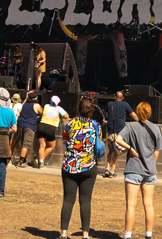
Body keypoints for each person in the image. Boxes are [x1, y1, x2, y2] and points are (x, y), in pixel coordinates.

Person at [113, 101, 162, 239]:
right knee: (148, 204)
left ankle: (127, 235)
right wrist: (151, 165)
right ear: (149, 113)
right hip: (150, 172)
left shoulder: (131, 126)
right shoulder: (155, 128)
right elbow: (157, 152)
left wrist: (130, 148)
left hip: (134, 169)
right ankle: (148, 234)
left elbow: (118, 139)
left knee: (131, 204)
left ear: (137, 111)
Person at [60, 97, 103, 239]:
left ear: (78, 108)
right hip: (89, 167)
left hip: (70, 166)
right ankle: (85, 235)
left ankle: (63, 233)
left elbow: (65, 139)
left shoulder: (69, 123)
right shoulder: (96, 125)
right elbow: (98, 143)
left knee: (68, 200)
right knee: (85, 200)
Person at [104, 91, 135, 178]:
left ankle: (107, 168)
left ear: (115, 97)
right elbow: (133, 115)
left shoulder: (110, 104)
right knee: (117, 151)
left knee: (110, 150)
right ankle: (112, 170)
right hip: (120, 132)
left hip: (110, 130)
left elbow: (107, 114)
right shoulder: (125, 105)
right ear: (122, 98)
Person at [37, 95, 68, 167]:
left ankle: (40, 161)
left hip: (41, 126)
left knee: (42, 146)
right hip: (50, 127)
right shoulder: (58, 108)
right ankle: (41, 159)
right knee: (51, 146)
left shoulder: (46, 106)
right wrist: (59, 116)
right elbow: (67, 116)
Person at [13, 91, 41, 167]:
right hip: (30, 126)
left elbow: (21, 112)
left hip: (21, 125)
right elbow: (41, 113)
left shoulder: (24, 105)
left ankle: (24, 159)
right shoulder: (36, 105)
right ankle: (21, 161)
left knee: (23, 143)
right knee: (26, 144)